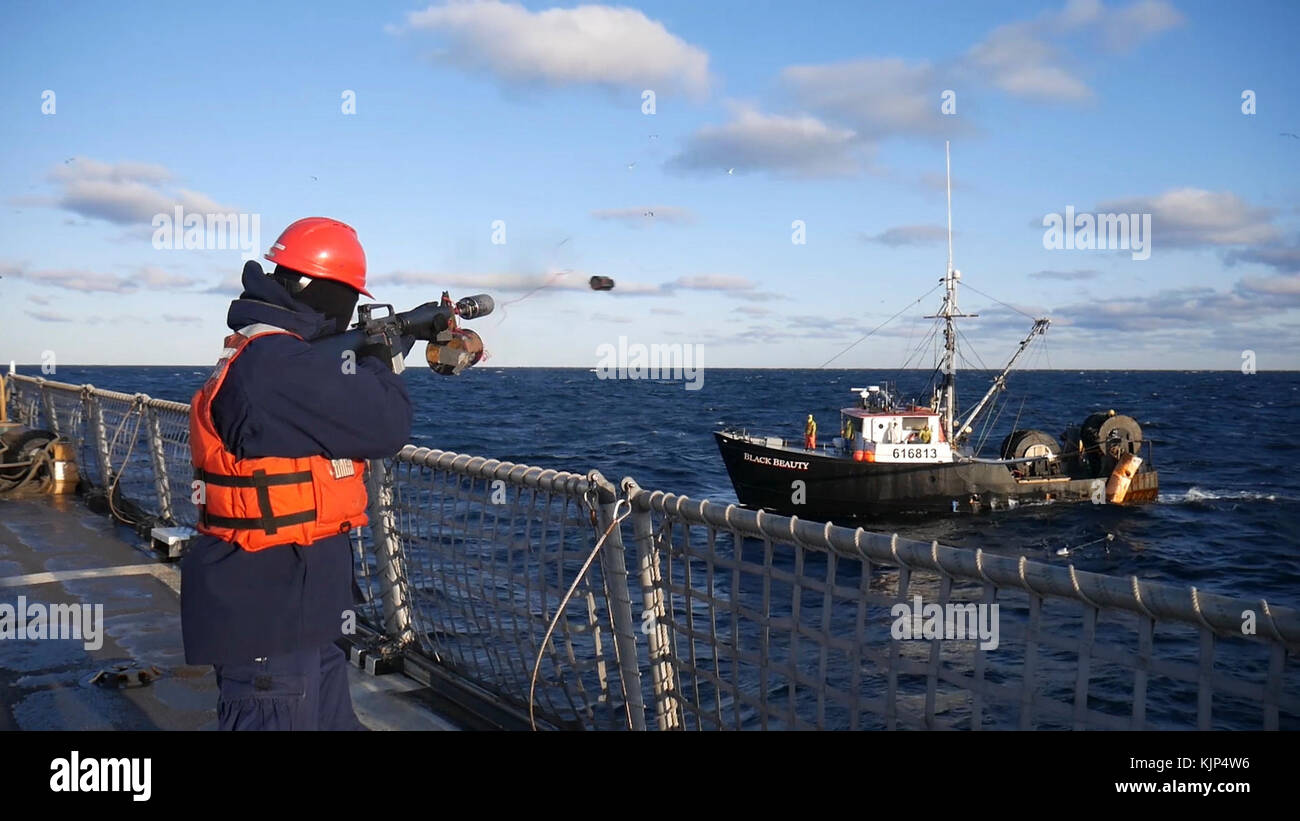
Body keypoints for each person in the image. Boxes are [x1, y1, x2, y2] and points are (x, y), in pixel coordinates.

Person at [182, 217, 418, 731]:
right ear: (318, 289)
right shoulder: (274, 364)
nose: (349, 310)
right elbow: (387, 425)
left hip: (305, 605)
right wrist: (385, 359)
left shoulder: (276, 352)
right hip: (269, 616)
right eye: (348, 297)